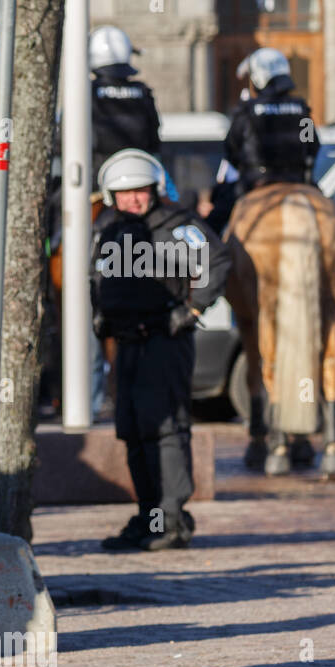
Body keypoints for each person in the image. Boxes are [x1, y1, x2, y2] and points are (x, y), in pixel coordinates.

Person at [91, 149, 230, 551]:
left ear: (154, 189)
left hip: (164, 341)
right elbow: (93, 275)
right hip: (127, 344)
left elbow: (217, 261)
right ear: (111, 195)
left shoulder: (178, 225)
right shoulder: (110, 229)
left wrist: (193, 310)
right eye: (124, 193)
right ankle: (149, 515)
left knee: (166, 430)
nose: (132, 199)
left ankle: (173, 521)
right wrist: (99, 314)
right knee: (134, 431)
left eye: (140, 191)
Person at [224, 47, 319, 194]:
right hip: (297, 180)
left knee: (221, 211)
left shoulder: (248, 110)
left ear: (257, 77)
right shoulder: (301, 109)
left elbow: (232, 148)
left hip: (255, 181)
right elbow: (312, 147)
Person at [87, 27, 161, 180]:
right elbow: (154, 138)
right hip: (139, 176)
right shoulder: (142, 92)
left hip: (95, 178)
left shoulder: (87, 93)